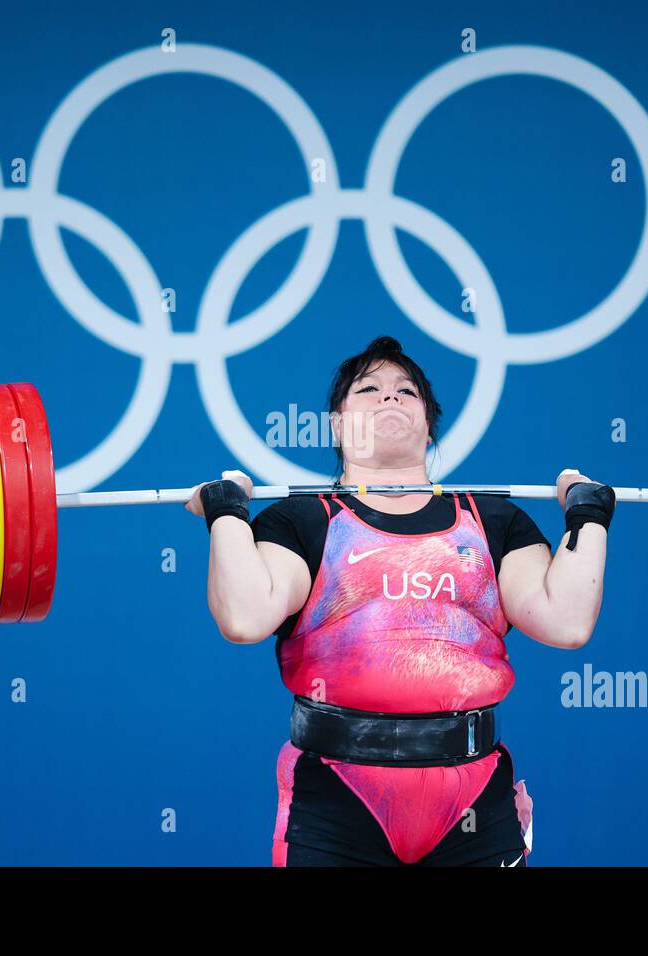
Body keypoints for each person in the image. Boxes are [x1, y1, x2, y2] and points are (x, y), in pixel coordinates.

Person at [186, 336, 614, 866]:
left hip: (473, 798)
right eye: (368, 389)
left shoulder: (495, 522)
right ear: (338, 426)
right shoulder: (300, 520)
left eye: (405, 391)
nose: (390, 398)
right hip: (337, 796)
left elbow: (567, 622)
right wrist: (227, 514)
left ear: (428, 425)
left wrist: (588, 514)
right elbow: (245, 617)